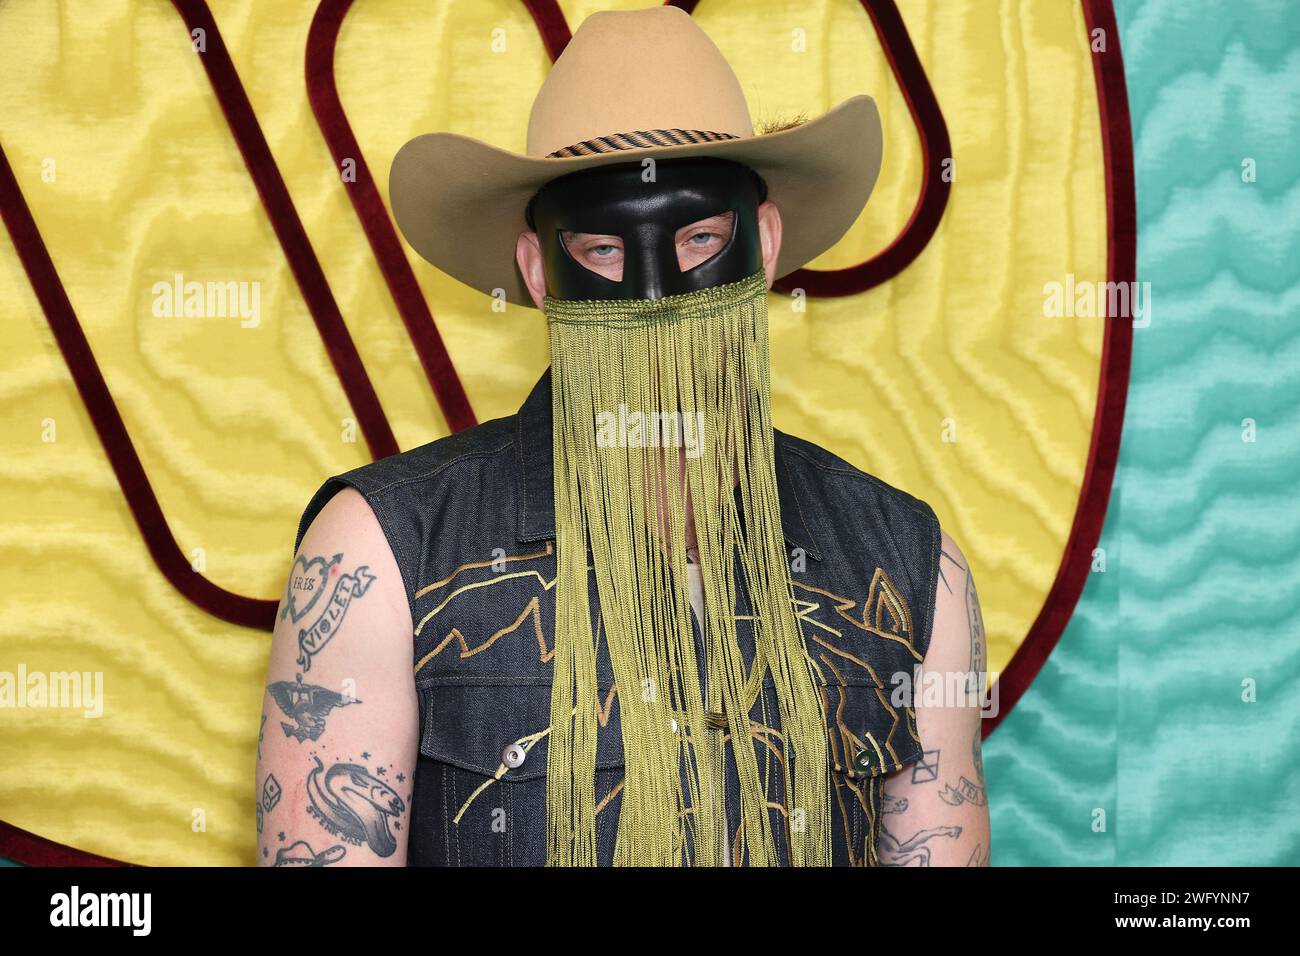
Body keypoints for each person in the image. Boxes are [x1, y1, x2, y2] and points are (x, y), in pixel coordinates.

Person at [255, 4, 989, 867]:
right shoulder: (383, 551)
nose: (653, 302)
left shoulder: (906, 562)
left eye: (702, 240)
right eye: (602, 250)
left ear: (765, 243)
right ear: (536, 270)